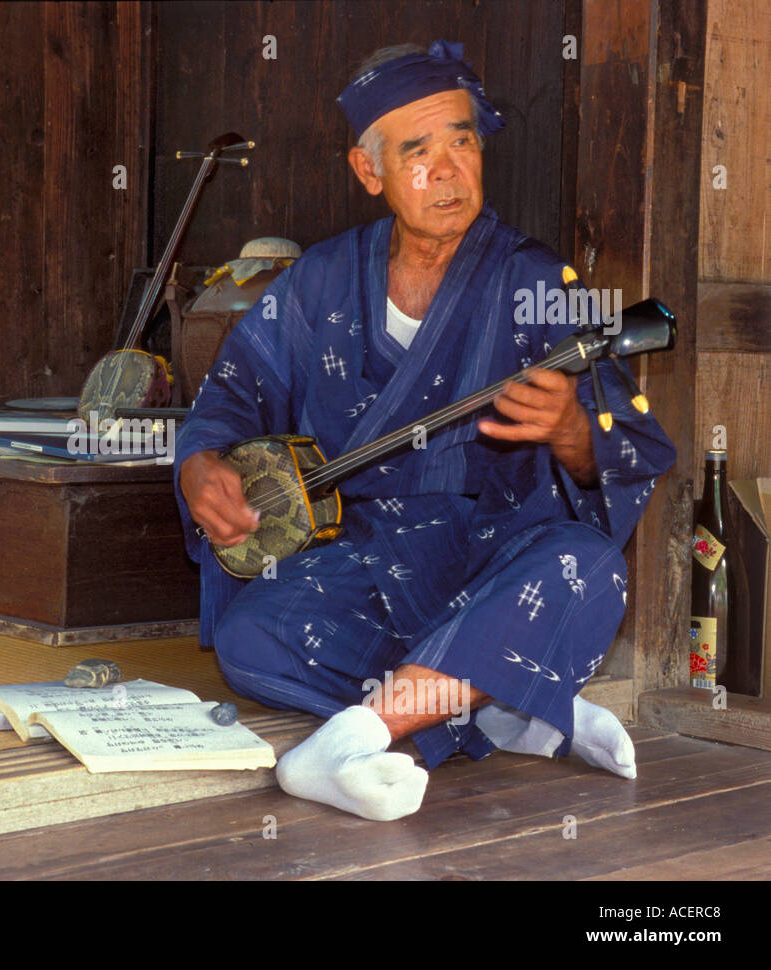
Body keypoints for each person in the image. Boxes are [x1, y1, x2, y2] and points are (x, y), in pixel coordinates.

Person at [173, 41, 677, 821]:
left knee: (586, 568)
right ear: (369, 171)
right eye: (418, 151)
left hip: (486, 556)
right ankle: (504, 695)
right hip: (361, 558)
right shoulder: (320, 281)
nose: (447, 170)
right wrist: (200, 464)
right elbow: (232, 395)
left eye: (463, 142)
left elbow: (630, 448)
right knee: (251, 637)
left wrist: (575, 427)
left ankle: (350, 740)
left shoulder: (538, 284)